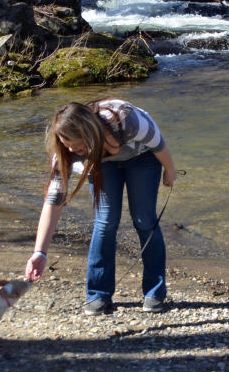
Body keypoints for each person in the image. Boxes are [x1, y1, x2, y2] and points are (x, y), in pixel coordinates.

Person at [25, 98, 178, 315]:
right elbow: (53, 202)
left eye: (77, 146)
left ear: (91, 135)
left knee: (144, 220)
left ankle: (154, 293)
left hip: (143, 157)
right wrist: (39, 252)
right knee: (106, 221)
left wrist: (170, 169)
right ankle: (98, 295)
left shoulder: (129, 121)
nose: (71, 150)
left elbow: (159, 144)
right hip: (101, 163)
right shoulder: (65, 150)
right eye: (67, 144)